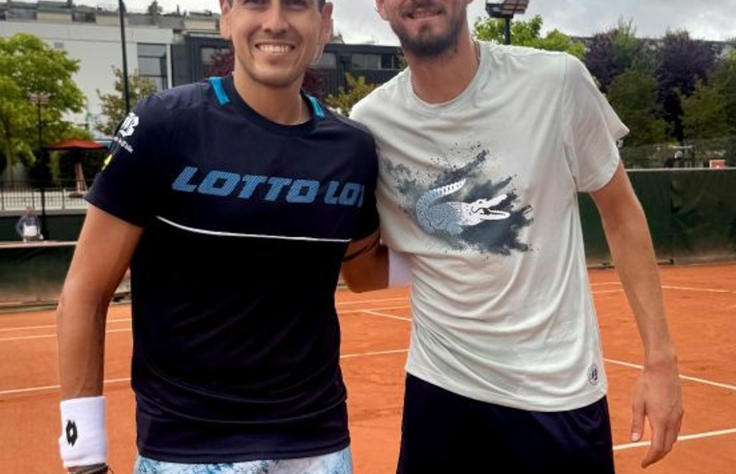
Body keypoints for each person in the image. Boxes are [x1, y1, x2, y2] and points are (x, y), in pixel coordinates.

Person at [345, 0, 684, 472]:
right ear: (380, 5)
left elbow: (622, 214)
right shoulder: (369, 124)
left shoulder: (557, 84)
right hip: (440, 393)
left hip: (557, 397)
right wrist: (436, 260)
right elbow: (370, 272)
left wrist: (660, 361)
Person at [56, 1, 381, 473]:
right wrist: (83, 456)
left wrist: (479, 253)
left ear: (324, 20)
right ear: (226, 16)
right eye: (254, 3)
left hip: (319, 447)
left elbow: (364, 271)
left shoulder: (353, 149)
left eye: (295, 4)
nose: (275, 22)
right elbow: (85, 292)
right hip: (186, 452)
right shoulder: (164, 124)